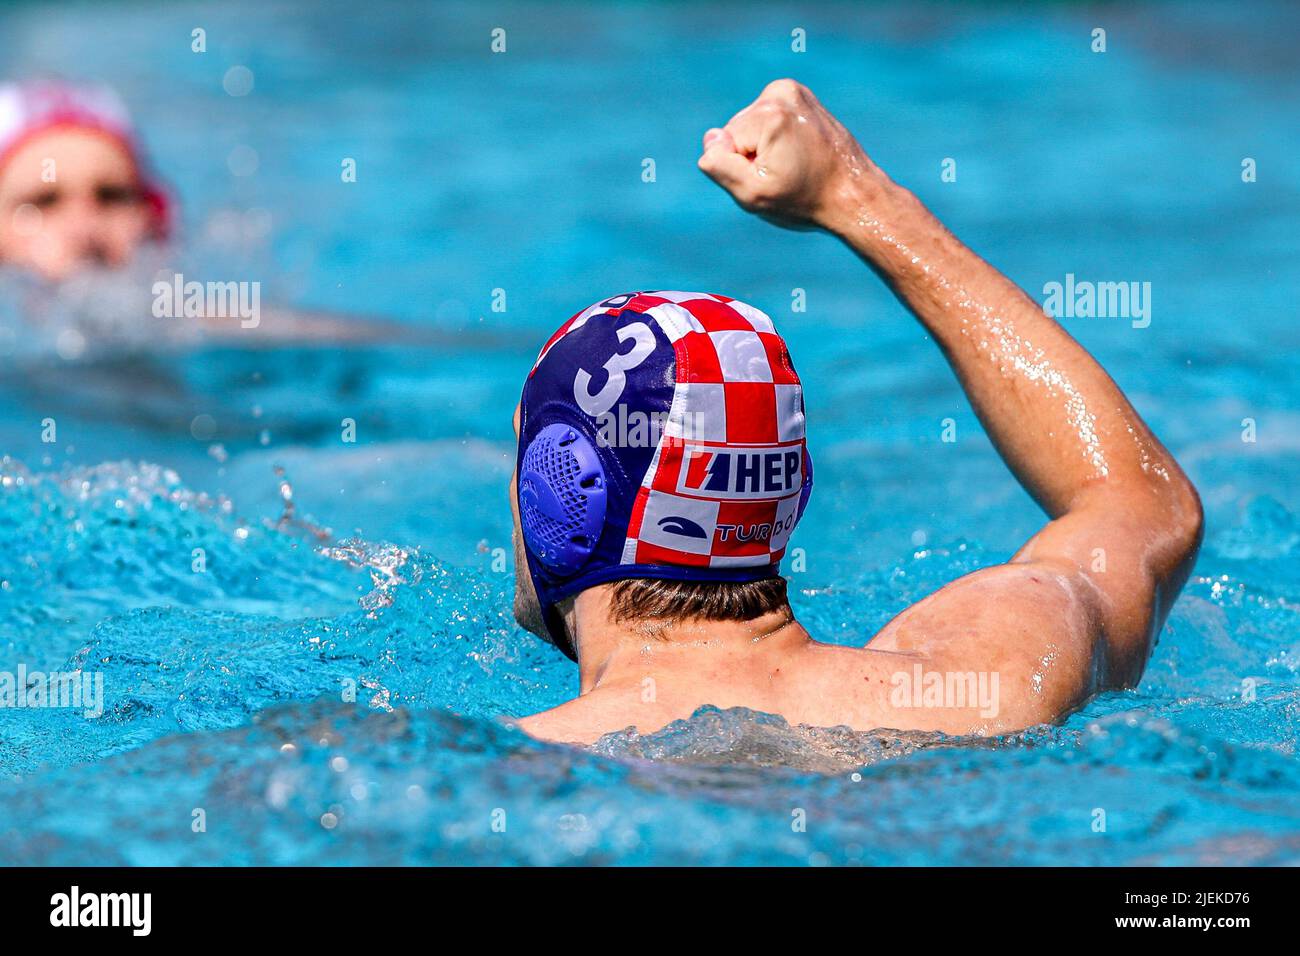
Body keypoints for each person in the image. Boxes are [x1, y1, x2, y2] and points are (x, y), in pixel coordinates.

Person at [511, 79, 1203, 745]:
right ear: (787, 487)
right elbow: (1142, 506)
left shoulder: (513, 773)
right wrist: (852, 194)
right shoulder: (989, 692)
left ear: (562, 495)